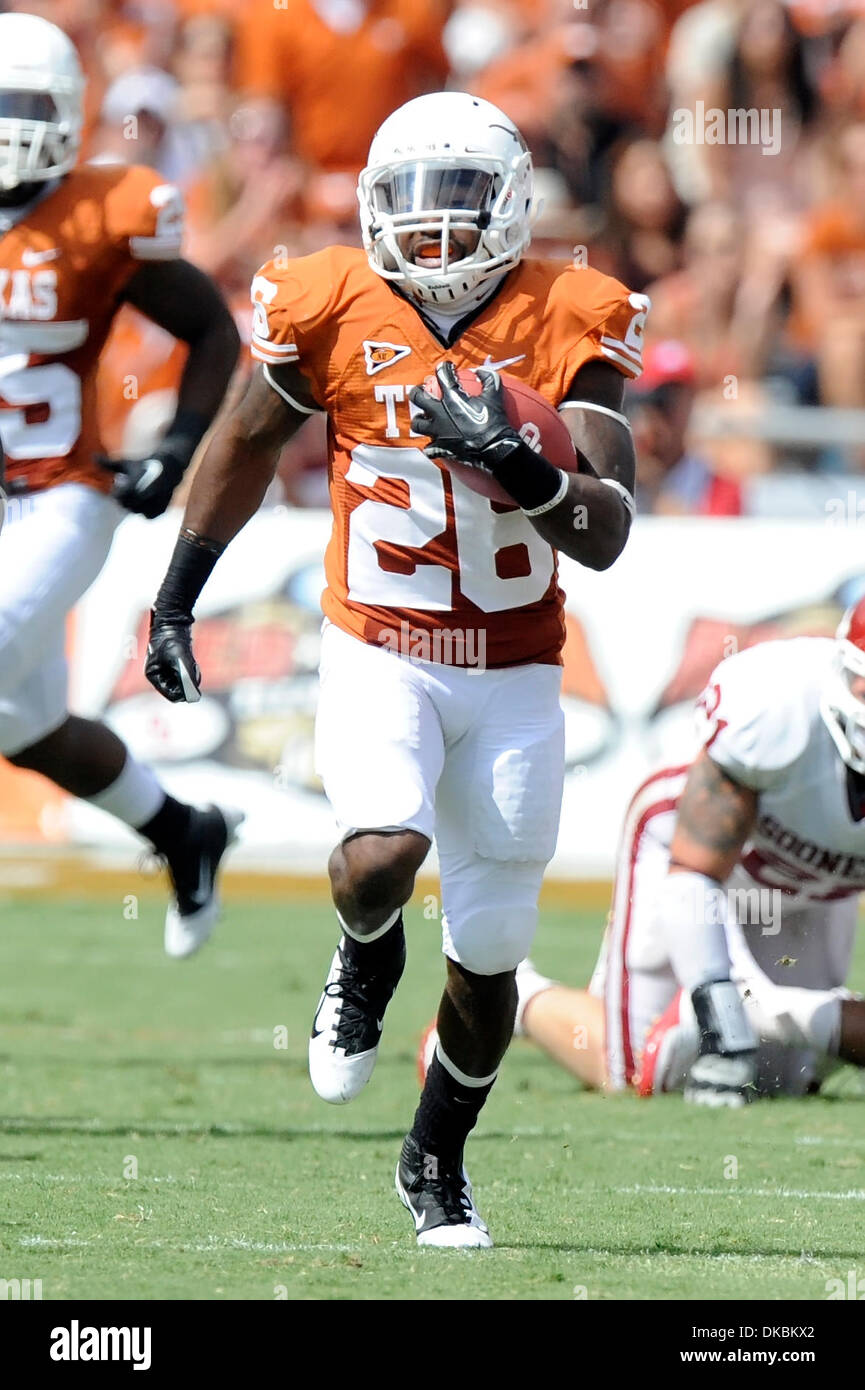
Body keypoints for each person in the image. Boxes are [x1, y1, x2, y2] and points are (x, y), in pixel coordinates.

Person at [145, 90, 649, 1247]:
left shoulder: (571, 310)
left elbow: (608, 529)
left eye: (459, 198)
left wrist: (520, 466)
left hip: (517, 671)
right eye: (408, 198)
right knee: (380, 856)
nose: (430, 227)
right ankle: (363, 956)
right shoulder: (323, 298)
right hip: (380, 644)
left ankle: (435, 1158)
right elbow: (241, 442)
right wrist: (176, 595)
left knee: (492, 955)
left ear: (512, 204)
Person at [0, 14, 241, 959]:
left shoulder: (101, 216)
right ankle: (186, 832)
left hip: (59, 495)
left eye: (20, 105)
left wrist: (176, 450)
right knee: (30, 727)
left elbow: (213, 331)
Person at [452, 615, 865, 1103]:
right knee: (637, 1064)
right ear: (845, 669)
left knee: (785, 1080)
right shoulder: (778, 703)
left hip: (819, 889)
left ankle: (767, 1018)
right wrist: (722, 1013)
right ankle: (505, 999)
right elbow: (695, 872)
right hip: (692, 860)